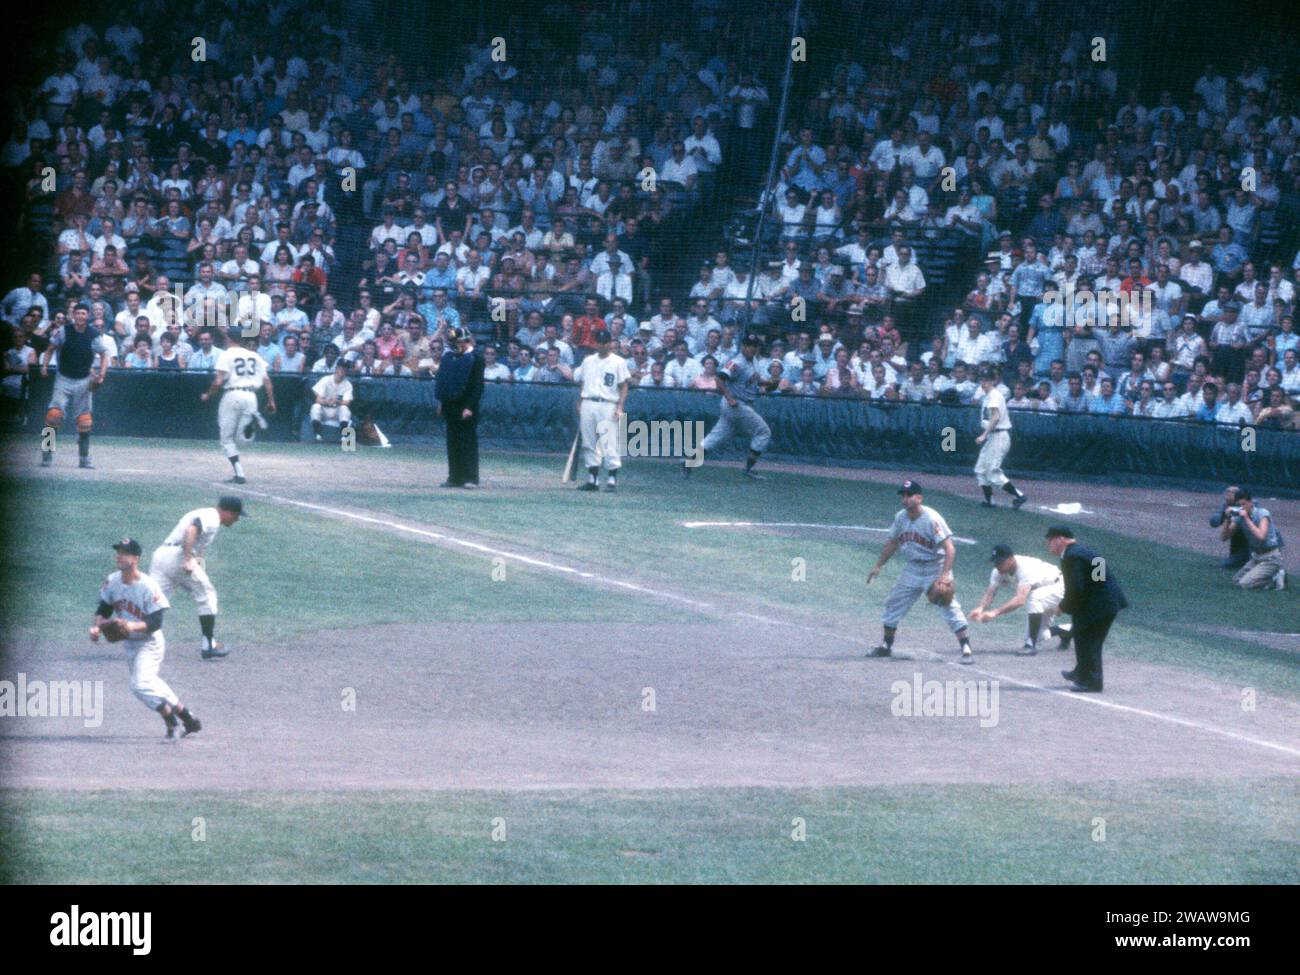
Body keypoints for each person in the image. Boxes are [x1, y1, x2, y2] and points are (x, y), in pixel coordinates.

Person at [92, 537, 201, 739]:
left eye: (124, 553)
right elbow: (104, 608)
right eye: (118, 552)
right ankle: (184, 720)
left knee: (139, 684)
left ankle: (177, 720)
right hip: (130, 644)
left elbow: (156, 622)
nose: (119, 556)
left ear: (135, 559)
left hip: (149, 643)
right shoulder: (112, 581)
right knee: (143, 686)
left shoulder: (148, 586)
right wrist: (96, 626)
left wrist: (132, 625)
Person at [867, 480, 975, 664]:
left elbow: (950, 548)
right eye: (903, 495)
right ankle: (886, 645)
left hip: (935, 566)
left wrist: (945, 575)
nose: (905, 499)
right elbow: (892, 542)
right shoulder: (900, 517)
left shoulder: (932, 519)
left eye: (909, 495)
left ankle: (966, 647)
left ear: (919, 497)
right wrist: (878, 565)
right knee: (894, 602)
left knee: (948, 605)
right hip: (913, 567)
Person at [148, 497, 244, 660]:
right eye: (236, 515)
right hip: (178, 558)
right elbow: (191, 531)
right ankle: (209, 645)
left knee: (153, 602)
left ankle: (134, 635)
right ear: (227, 512)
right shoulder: (212, 517)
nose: (237, 519)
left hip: (161, 557)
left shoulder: (205, 514)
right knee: (207, 596)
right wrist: (186, 560)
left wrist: (199, 570)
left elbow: (198, 549)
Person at [1046, 525, 1128, 693]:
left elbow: (1076, 587)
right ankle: (1081, 673)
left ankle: (1093, 682)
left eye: (1050, 541)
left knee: (1090, 642)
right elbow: (1098, 576)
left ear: (1060, 539)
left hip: (1099, 604)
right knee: (1082, 636)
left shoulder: (1071, 556)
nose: (1049, 545)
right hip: (1101, 600)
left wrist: (1063, 606)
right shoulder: (1082, 551)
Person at [688, 333, 772, 479]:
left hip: (740, 404)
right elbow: (719, 379)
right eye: (749, 345)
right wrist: (729, 398)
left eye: (755, 346)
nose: (752, 348)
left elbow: (756, 381)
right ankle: (747, 469)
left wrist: (769, 383)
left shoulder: (754, 361)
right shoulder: (736, 362)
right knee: (763, 432)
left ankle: (688, 462)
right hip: (736, 404)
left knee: (715, 438)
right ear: (743, 346)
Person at [39, 303, 111, 469]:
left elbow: (104, 354)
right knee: (53, 415)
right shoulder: (64, 331)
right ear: (74, 315)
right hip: (64, 377)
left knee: (85, 420)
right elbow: (50, 349)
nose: (80, 316)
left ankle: (84, 458)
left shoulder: (93, 334)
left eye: (83, 313)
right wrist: (44, 366)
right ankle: (46, 454)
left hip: (84, 379)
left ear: (88, 316)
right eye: (77, 313)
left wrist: (102, 374)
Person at [199, 333, 276, 485]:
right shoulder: (254, 355)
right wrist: (271, 401)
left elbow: (218, 381)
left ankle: (240, 473)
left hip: (233, 394)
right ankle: (240, 473)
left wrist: (208, 395)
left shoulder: (226, 354)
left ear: (228, 339)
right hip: (251, 397)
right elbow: (267, 380)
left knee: (226, 439)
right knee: (241, 441)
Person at [969, 543, 1070, 655]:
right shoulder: (997, 572)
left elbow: (1020, 600)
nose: (997, 566)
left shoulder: (1025, 568)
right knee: (1039, 634)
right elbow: (990, 593)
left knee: (1034, 598)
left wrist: (994, 613)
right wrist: (981, 608)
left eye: (1000, 562)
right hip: (1042, 592)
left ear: (1011, 559)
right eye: (995, 563)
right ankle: (1067, 630)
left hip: (1059, 586)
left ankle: (1030, 645)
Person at [572, 328, 630, 492]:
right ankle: (593, 480)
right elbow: (583, 381)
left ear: (610, 342)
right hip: (589, 402)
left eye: (606, 342)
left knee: (609, 441)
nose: (603, 345)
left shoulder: (618, 361)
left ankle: (612, 480)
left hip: (608, 403)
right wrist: (580, 400)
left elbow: (624, 385)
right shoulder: (588, 361)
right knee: (589, 442)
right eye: (600, 342)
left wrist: (620, 406)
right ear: (596, 343)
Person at [434, 325, 484, 488]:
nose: (454, 345)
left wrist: (469, 407)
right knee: (452, 441)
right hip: (450, 406)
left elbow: (477, 387)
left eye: (457, 341)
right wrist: (441, 402)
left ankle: (470, 478)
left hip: (466, 406)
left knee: (467, 442)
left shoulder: (476, 359)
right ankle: (455, 477)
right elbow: (444, 381)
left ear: (466, 341)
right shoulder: (450, 357)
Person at [973, 366, 1027, 509]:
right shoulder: (988, 396)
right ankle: (989, 501)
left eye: (986, 380)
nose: (983, 383)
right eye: (982, 380)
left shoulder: (995, 395)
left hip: (999, 436)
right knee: (980, 469)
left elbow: (996, 418)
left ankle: (1019, 496)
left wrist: (983, 435)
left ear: (992, 381)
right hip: (993, 436)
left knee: (992, 471)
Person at [1221, 490, 1286, 590]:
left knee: (1243, 584)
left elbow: (1261, 536)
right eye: (1239, 505)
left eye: (1244, 504)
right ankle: (1272, 577)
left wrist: (1246, 518)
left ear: (1251, 502)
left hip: (1271, 558)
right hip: (1256, 557)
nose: (1242, 508)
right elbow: (1224, 537)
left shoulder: (1262, 513)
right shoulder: (1239, 517)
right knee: (1236, 581)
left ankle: (1275, 578)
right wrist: (1227, 519)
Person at [1208, 486, 1251, 570]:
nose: (1226, 497)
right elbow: (1214, 523)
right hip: (1239, 540)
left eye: (1229, 494)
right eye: (1226, 493)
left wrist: (1235, 512)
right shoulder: (1227, 505)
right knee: (1228, 564)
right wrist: (1224, 513)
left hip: (1255, 542)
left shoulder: (1248, 503)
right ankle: (1240, 557)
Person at [310, 360, 354, 441]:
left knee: (345, 409)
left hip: (337, 411)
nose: (343, 370)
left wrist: (337, 402)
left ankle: (344, 436)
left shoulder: (348, 384)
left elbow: (347, 402)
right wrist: (326, 402)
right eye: (341, 368)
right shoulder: (325, 380)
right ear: (336, 368)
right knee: (316, 407)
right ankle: (317, 434)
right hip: (325, 409)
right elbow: (318, 399)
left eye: (345, 369)